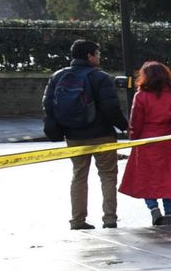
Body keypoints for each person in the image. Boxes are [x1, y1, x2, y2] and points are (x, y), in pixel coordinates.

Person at [43, 38, 128, 230]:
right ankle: (109, 219)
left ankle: (78, 221)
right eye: (97, 54)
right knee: (107, 175)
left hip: (73, 136)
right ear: (89, 56)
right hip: (102, 135)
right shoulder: (100, 77)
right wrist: (124, 126)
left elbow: (48, 106)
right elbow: (111, 108)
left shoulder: (58, 76)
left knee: (79, 175)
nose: (99, 57)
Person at [118, 61, 171, 226]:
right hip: (169, 141)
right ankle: (170, 213)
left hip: (146, 142)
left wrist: (133, 139)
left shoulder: (141, 95)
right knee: (168, 178)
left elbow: (135, 121)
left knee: (146, 178)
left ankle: (154, 210)